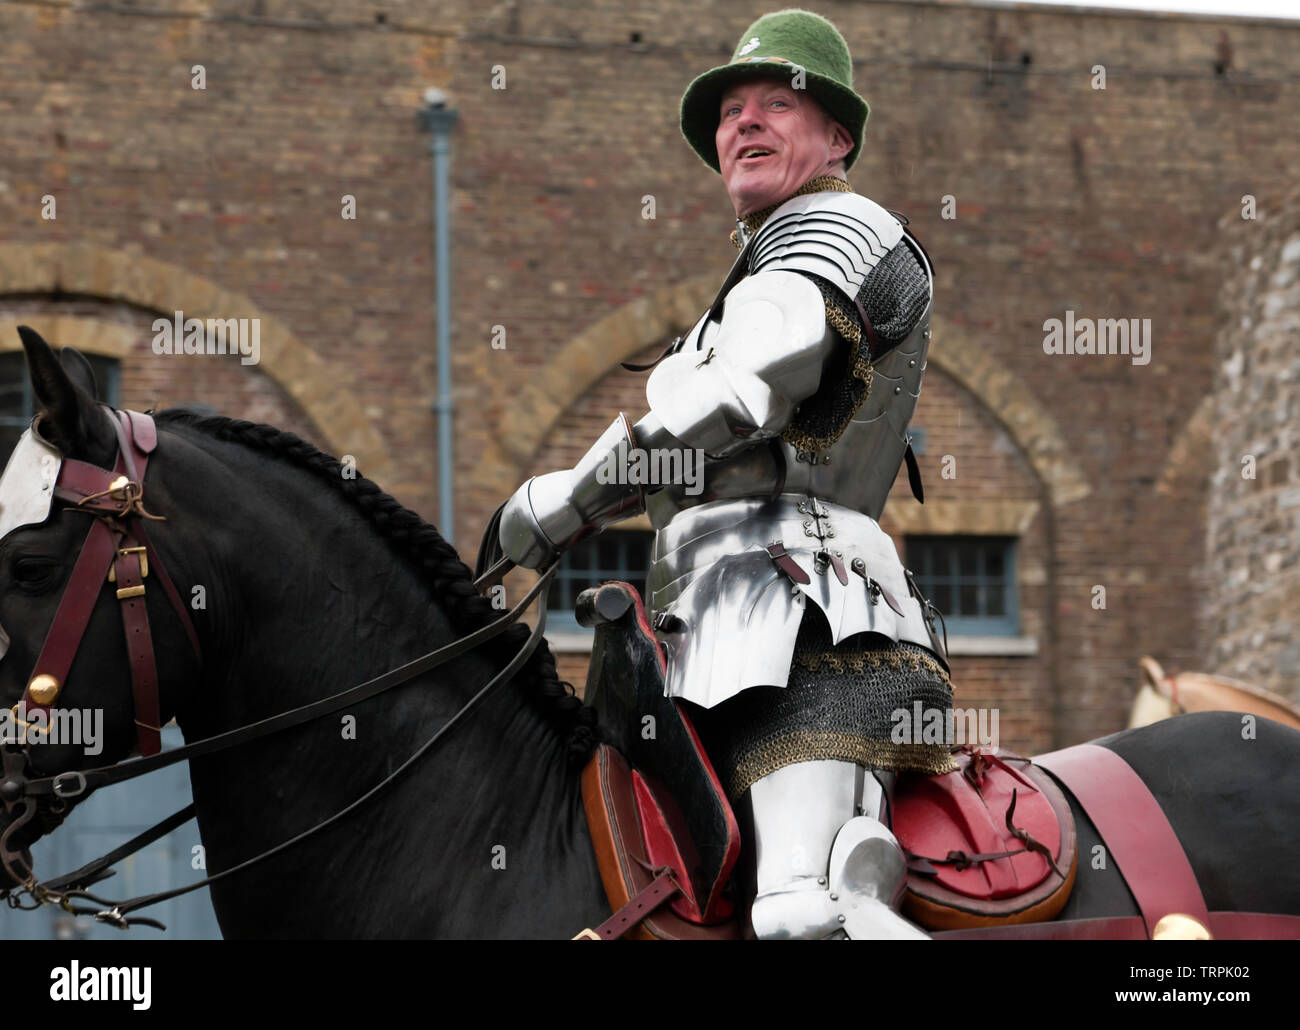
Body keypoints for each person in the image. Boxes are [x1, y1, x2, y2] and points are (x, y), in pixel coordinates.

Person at [499, 8, 954, 939]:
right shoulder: (752, 271)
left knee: (800, 916)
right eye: (730, 109)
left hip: (812, 617)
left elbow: (743, 397)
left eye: (776, 103)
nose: (743, 121)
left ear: (836, 139)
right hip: (699, 627)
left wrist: (563, 501)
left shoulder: (840, 228)